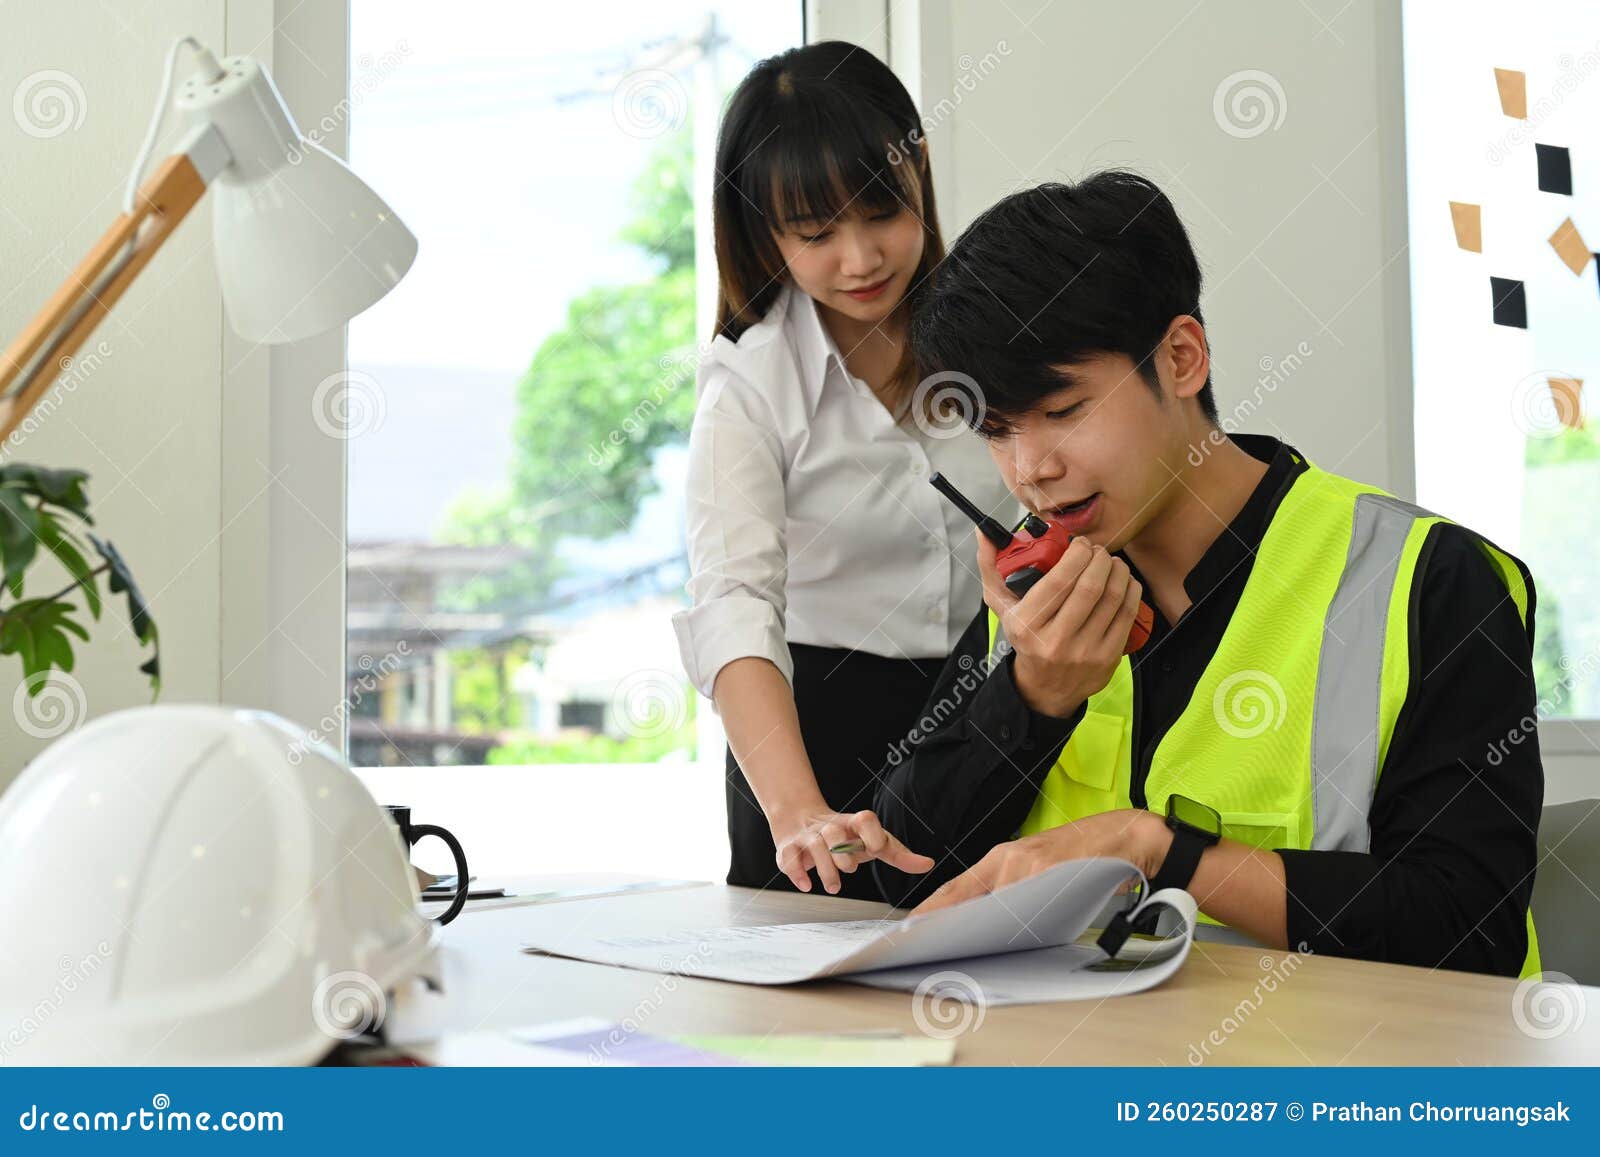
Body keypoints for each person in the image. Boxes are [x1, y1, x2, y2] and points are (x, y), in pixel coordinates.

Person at [871, 170, 1543, 978]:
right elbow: (902, 868)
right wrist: (1030, 695)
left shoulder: (1426, 577)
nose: (1030, 471)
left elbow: (1469, 929)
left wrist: (1155, 849)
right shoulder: (1034, 585)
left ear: (1182, 358)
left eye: (1062, 411)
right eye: (999, 431)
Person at [672, 42, 1011, 899]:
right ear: (763, 229)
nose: (860, 259)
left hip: (997, 710)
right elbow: (736, 605)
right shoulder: (748, 387)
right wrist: (796, 810)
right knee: (818, 1015)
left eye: (883, 214)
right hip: (816, 732)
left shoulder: (996, 328)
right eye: (817, 234)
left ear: (919, 176)